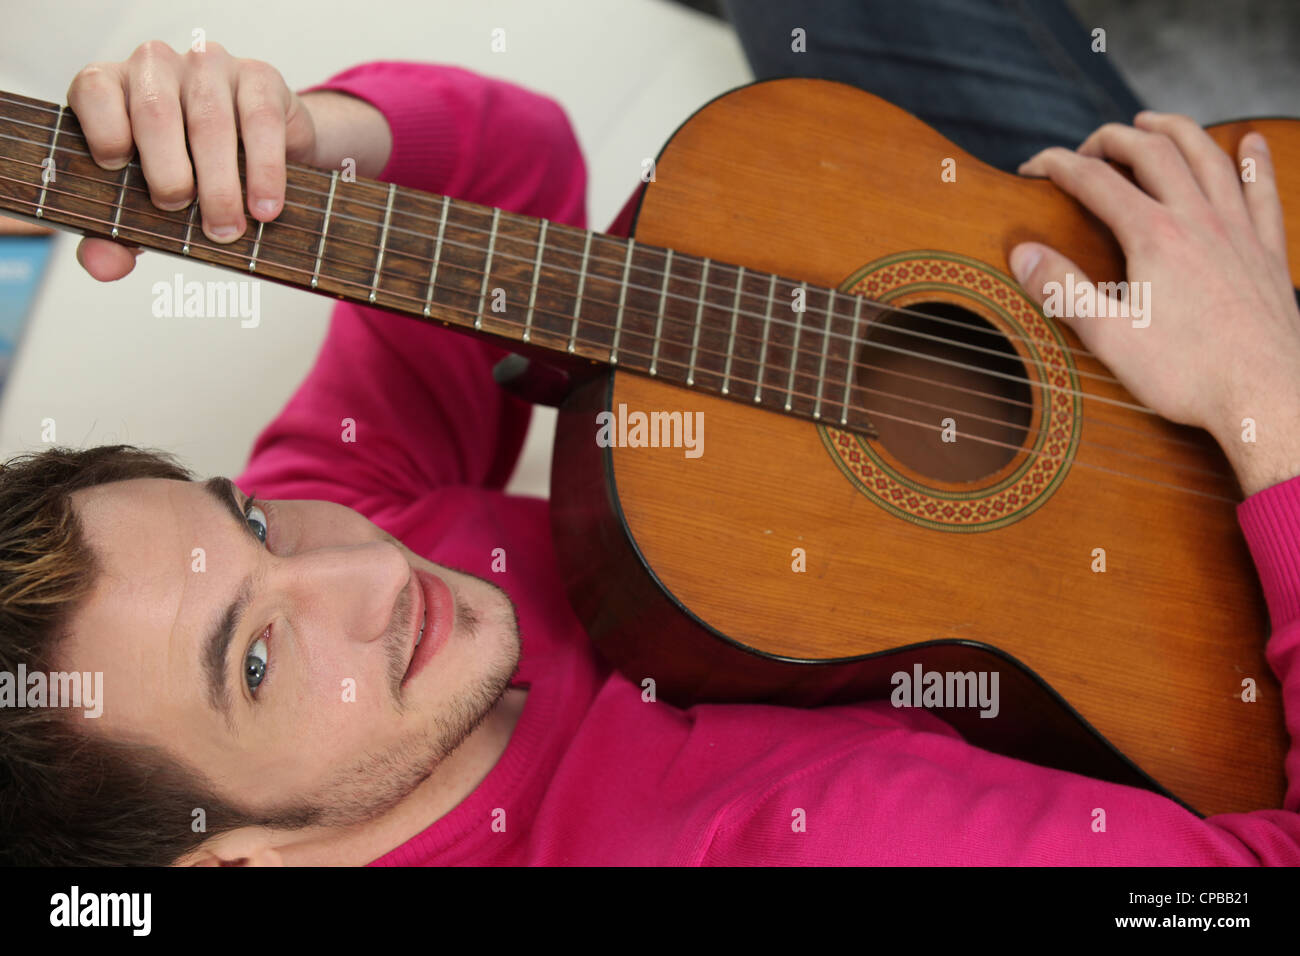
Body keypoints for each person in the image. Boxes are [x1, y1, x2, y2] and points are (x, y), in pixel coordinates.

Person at [1, 0, 1298, 864]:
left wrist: (304, 144)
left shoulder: (339, 519)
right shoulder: (808, 842)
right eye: (262, 663)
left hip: (1071, 337)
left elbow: (516, 177)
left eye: (249, 520)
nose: (364, 568)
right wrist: (1260, 398)